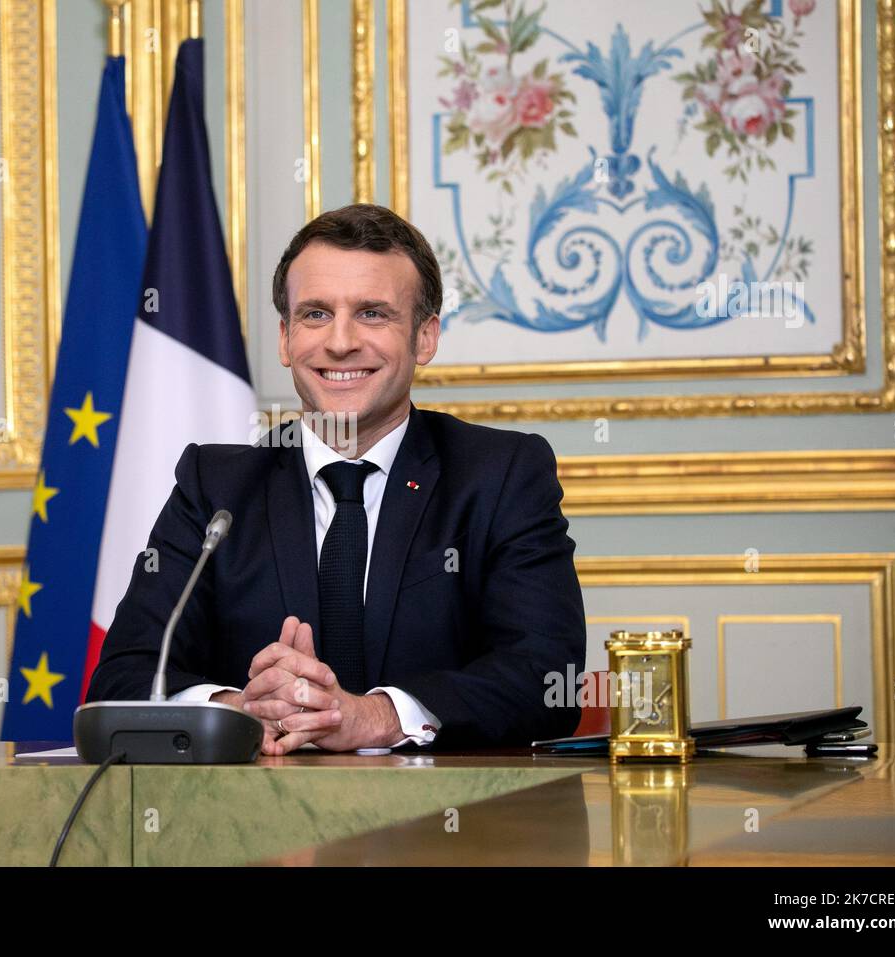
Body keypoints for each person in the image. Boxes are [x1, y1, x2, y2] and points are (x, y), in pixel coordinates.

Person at [86, 203, 586, 753]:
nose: (340, 341)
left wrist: (372, 716)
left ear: (425, 337)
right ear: (285, 338)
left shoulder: (501, 474)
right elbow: (125, 679)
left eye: (373, 313)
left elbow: (546, 680)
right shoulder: (216, 487)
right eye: (316, 314)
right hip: (256, 832)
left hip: (448, 825)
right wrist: (244, 712)